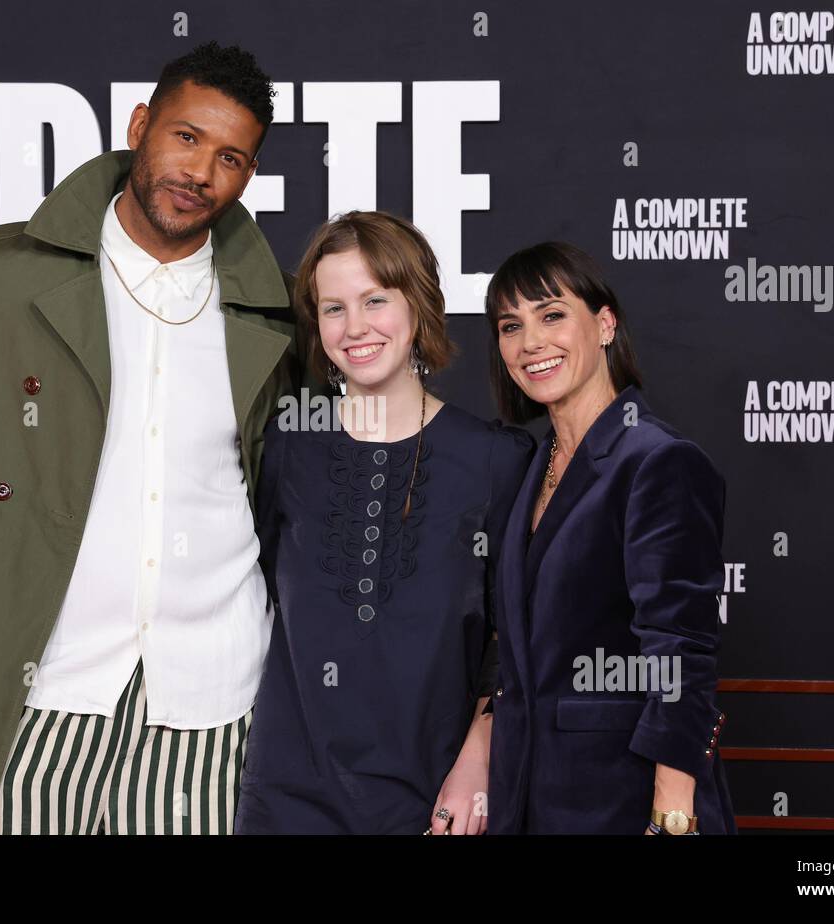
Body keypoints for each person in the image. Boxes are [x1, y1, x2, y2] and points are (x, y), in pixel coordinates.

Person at [0, 41, 325, 834]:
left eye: (230, 157)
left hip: (213, 693)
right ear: (139, 126)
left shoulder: (281, 313)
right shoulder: (0, 277)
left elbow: (299, 492)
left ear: (249, 175)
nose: (200, 172)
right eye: (185, 137)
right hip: (39, 681)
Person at [233, 211, 535, 834]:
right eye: (333, 307)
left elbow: (515, 637)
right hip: (287, 798)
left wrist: (479, 758)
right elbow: (250, 600)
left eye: (376, 300)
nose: (356, 327)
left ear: (419, 306)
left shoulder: (496, 460)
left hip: (435, 795)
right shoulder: (288, 445)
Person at [483, 241, 736, 835]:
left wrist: (671, 818)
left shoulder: (657, 461)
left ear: (604, 324)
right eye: (510, 326)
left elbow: (681, 657)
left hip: (624, 800)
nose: (531, 343)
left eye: (551, 315)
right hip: (528, 797)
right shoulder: (531, 465)